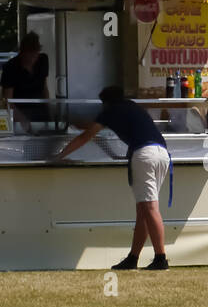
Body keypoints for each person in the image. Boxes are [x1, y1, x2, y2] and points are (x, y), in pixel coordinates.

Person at [49, 85, 171, 271]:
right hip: (162, 153)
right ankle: (133, 258)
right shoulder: (130, 106)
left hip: (144, 154)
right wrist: (77, 122)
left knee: (149, 207)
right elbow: (93, 126)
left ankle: (161, 258)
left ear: (105, 102)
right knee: (144, 210)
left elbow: (87, 135)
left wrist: (60, 156)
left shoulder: (111, 111)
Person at [1, 32, 50, 133]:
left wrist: (50, 110)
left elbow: (44, 88)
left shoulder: (43, 61)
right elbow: (7, 101)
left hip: (41, 113)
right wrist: (22, 119)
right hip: (19, 115)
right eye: (29, 53)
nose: (32, 58)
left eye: (35, 53)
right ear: (22, 52)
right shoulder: (10, 67)